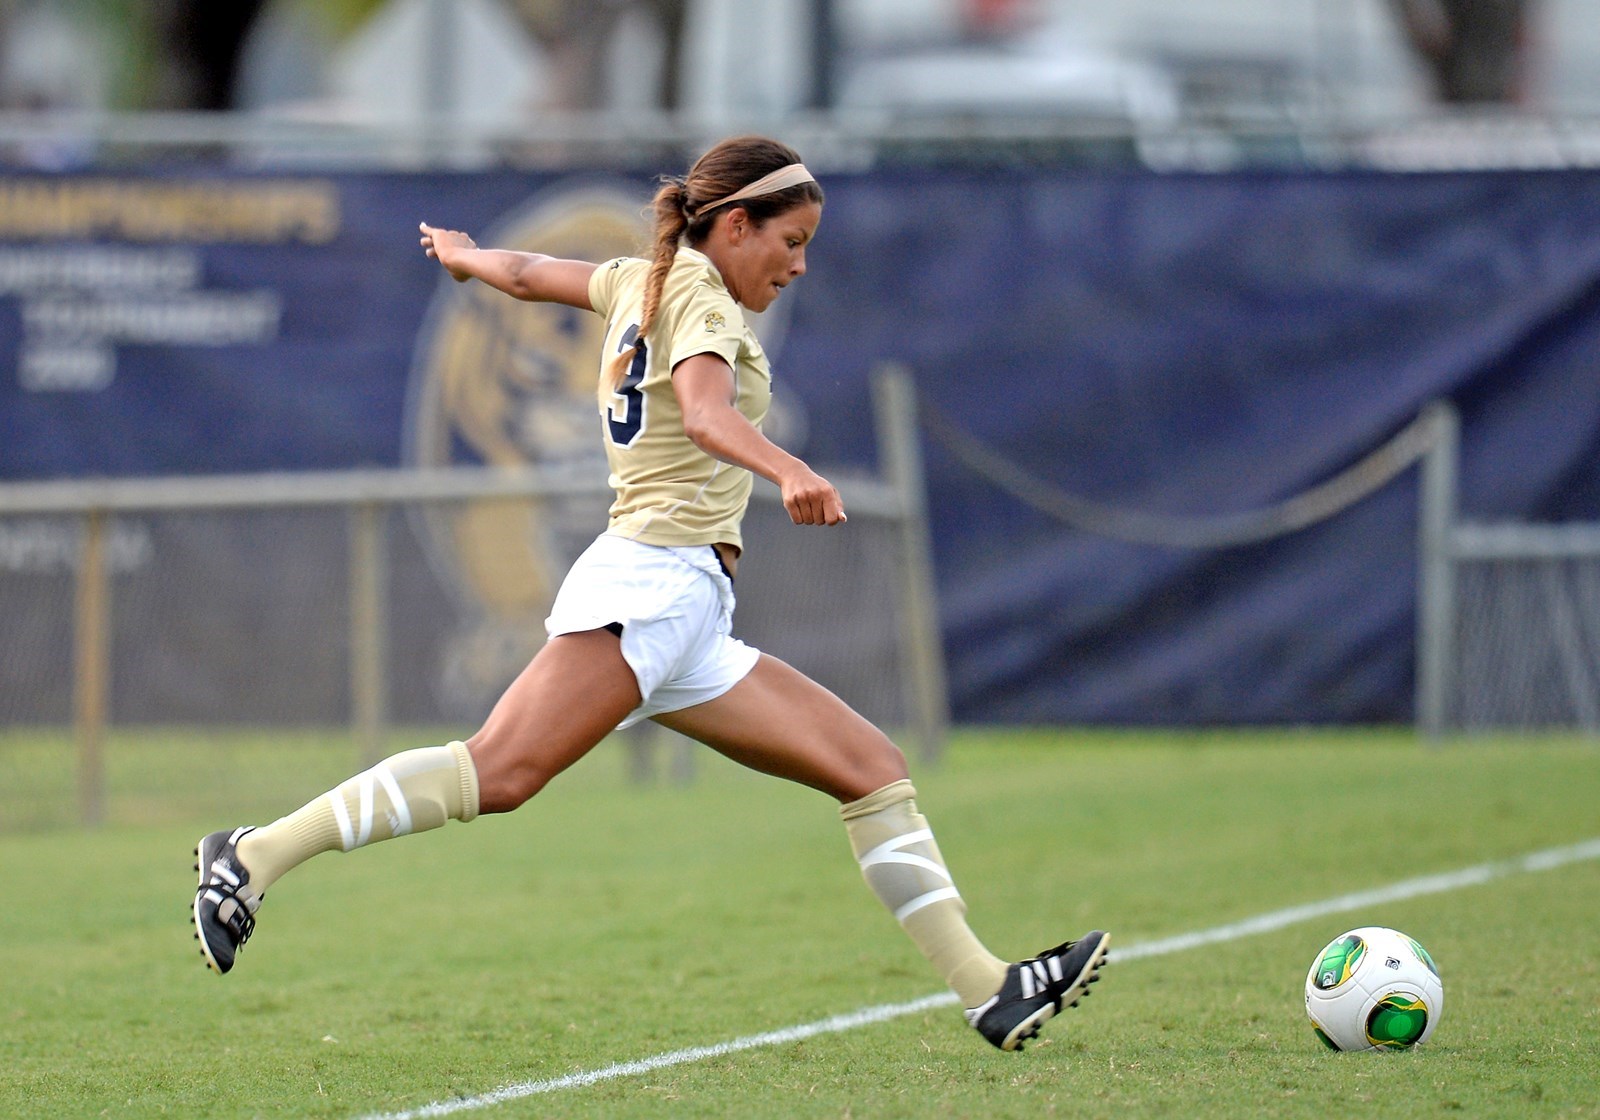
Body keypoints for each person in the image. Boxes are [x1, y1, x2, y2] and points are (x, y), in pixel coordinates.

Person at [190, 135, 1107, 1052]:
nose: (799, 264)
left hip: (691, 613)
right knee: (497, 773)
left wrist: (472, 259)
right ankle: (253, 854)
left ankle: (988, 988)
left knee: (871, 770)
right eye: (790, 240)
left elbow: (526, 271)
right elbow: (707, 416)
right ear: (735, 223)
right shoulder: (700, 296)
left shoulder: (642, 280)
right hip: (652, 584)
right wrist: (789, 470)